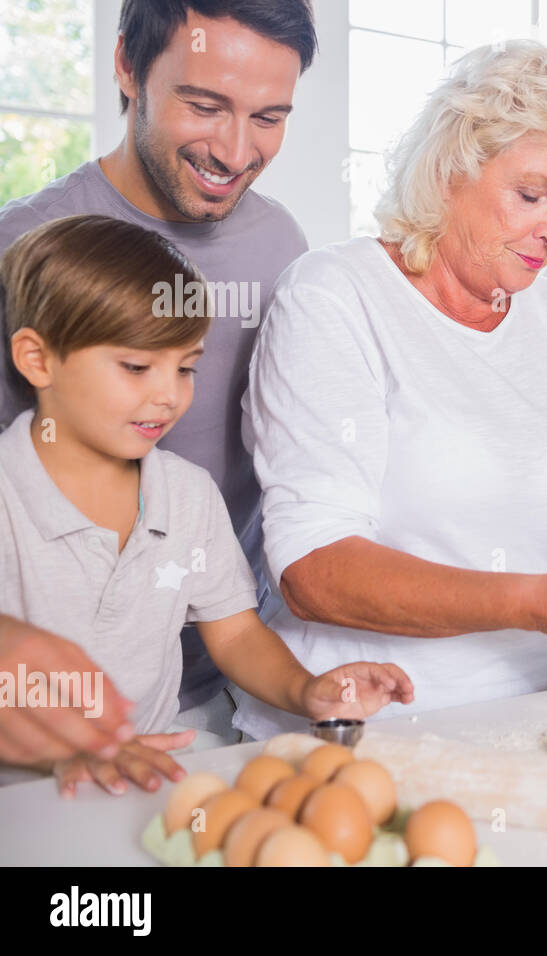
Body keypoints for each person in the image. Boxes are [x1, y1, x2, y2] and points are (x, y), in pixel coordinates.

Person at [236, 41, 547, 739]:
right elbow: (315, 569)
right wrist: (538, 604)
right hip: (371, 721)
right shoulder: (335, 298)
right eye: (531, 195)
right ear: (447, 172)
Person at [0, 216, 413, 795]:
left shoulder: (186, 494)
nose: (169, 394)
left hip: (141, 781)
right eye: (137, 367)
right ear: (38, 359)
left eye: (185, 367)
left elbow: (237, 636)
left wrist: (307, 691)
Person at [0, 0, 319, 742]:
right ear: (127, 67)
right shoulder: (23, 247)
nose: (236, 151)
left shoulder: (280, 246)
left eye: (269, 117)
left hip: (209, 687)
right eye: (205, 106)